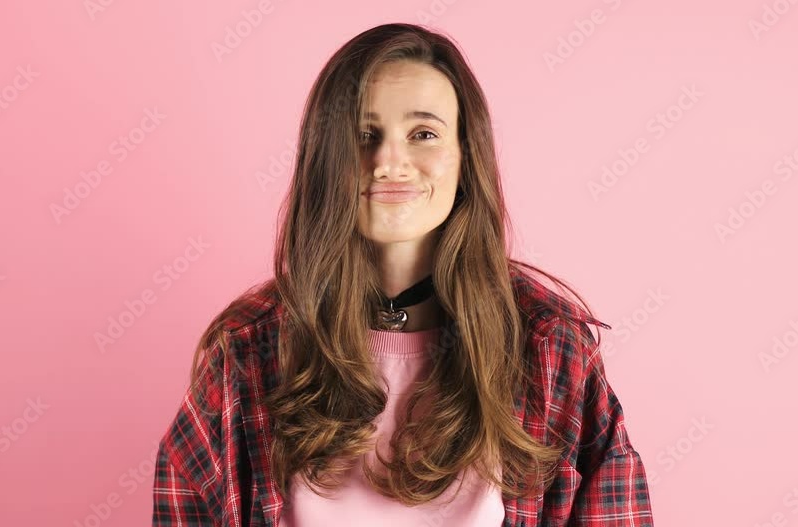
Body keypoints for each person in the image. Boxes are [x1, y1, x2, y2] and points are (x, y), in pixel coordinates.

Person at [152, 22, 654, 527]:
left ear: (465, 157)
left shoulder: (550, 346)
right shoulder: (246, 350)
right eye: (364, 136)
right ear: (325, 160)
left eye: (424, 134)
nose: (390, 162)